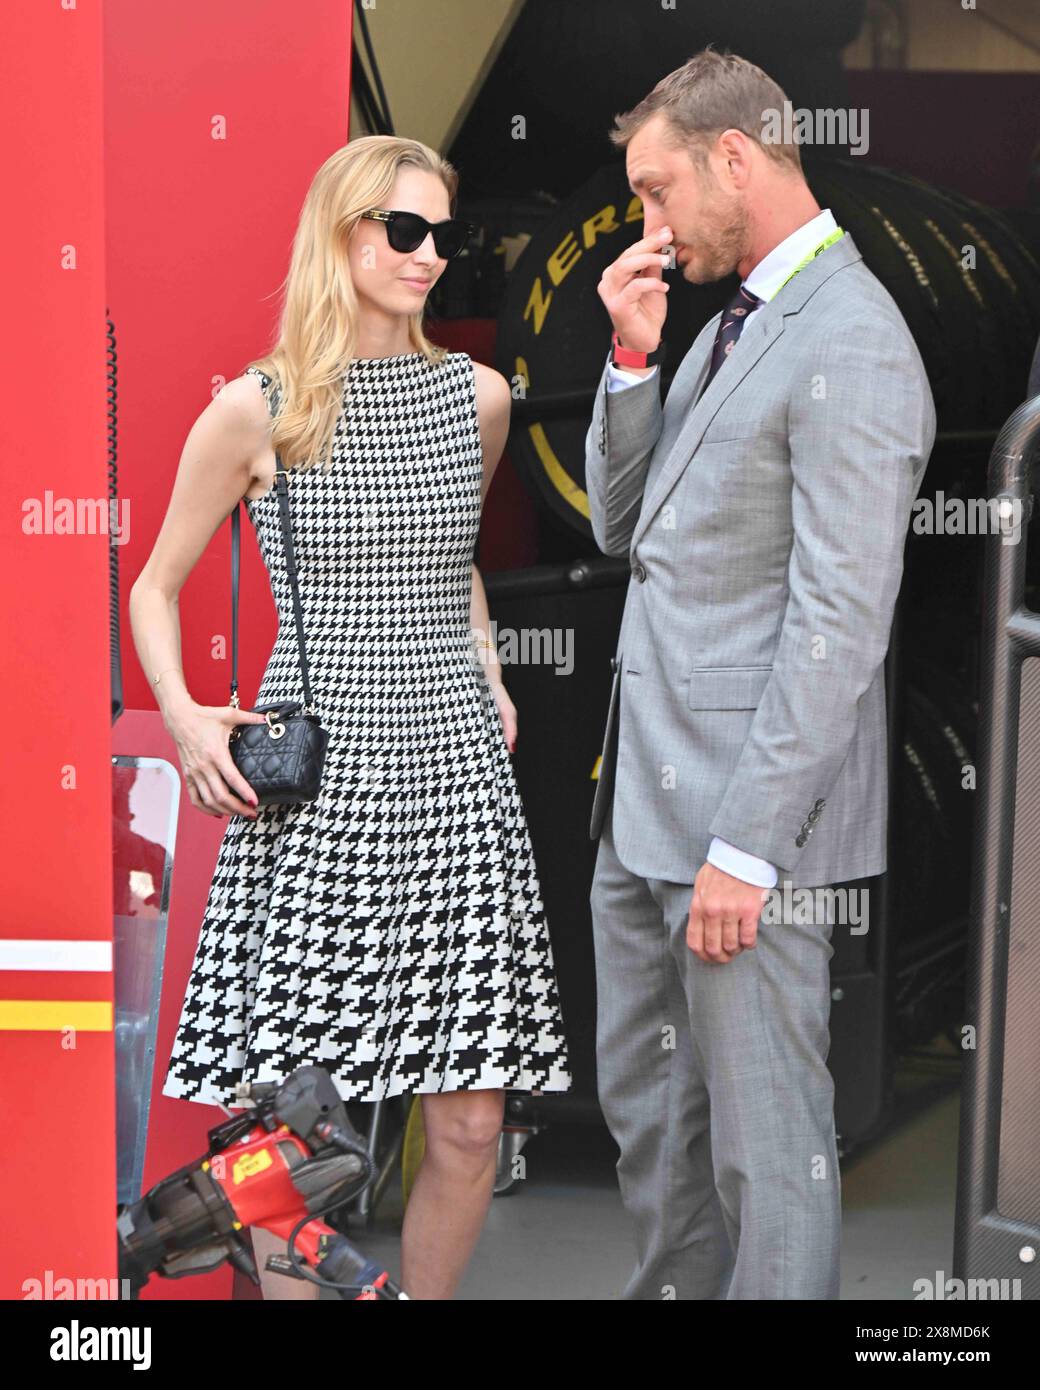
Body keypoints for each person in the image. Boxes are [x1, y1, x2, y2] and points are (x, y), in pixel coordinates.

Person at [129, 134, 571, 1300]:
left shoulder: (474, 397)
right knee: (288, 1146)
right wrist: (186, 721)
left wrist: (486, 657)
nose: (429, 257)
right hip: (320, 797)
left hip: (453, 785)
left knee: (471, 1125)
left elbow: (455, 562)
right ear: (342, 233)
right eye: (404, 231)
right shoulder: (257, 408)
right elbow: (152, 586)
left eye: (443, 234)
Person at [586, 49, 936, 1299]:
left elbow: (838, 619)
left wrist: (747, 845)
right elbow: (624, 532)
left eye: (655, 189)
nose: (650, 224)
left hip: (745, 835)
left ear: (734, 158)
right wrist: (631, 364)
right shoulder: (725, 322)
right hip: (641, 818)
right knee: (656, 1132)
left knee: (764, 1148)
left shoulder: (854, 340)